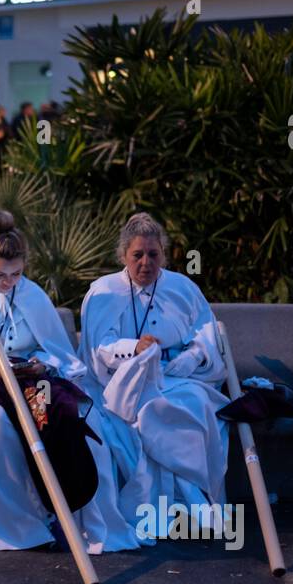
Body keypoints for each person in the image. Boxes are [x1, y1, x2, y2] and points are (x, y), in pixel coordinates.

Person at [0, 211, 147, 553]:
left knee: (70, 417)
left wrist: (39, 364)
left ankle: (71, 514)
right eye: (0, 274)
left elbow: (60, 352)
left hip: (30, 380)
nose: (8, 282)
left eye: (16, 274)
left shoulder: (30, 294)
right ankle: (23, 522)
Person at [78, 212, 231, 537]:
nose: (146, 263)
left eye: (153, 254)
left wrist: (193, 356)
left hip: (174, 376)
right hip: (117, 385)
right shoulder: (103, 291)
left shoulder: (182, 287)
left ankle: (194, 503)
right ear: (123, 256)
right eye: (137, 255)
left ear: (163, 254)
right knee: (151, 410)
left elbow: (205, 333)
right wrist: (134, 349)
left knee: (198, 402)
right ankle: (178, 510)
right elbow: (98, 350)